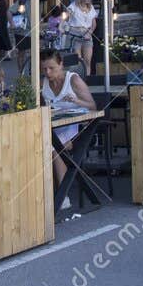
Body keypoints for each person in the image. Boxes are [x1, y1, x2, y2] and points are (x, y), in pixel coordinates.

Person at [40, 49, 96, 201]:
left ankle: (62, 196)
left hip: (76, 126)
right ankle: (47, 194)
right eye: (44, 68)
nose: (48, 72)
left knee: (52, 145)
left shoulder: (73, 80)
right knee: (42, 142)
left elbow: (92, 106)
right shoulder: (43, 82)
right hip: (55, 125)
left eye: (52, 68)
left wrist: (76, 101)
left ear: (61, 64)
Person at [65, 0, 98, 73]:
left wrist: (89, 33)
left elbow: (94, 24)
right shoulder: (73, 6)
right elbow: (66, 16)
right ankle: (79, 81)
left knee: (87, 61)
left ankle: (87, 81)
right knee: (78, 61)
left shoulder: (91, 8)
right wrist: (63, 23)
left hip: (87, 34)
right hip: (75, 34)